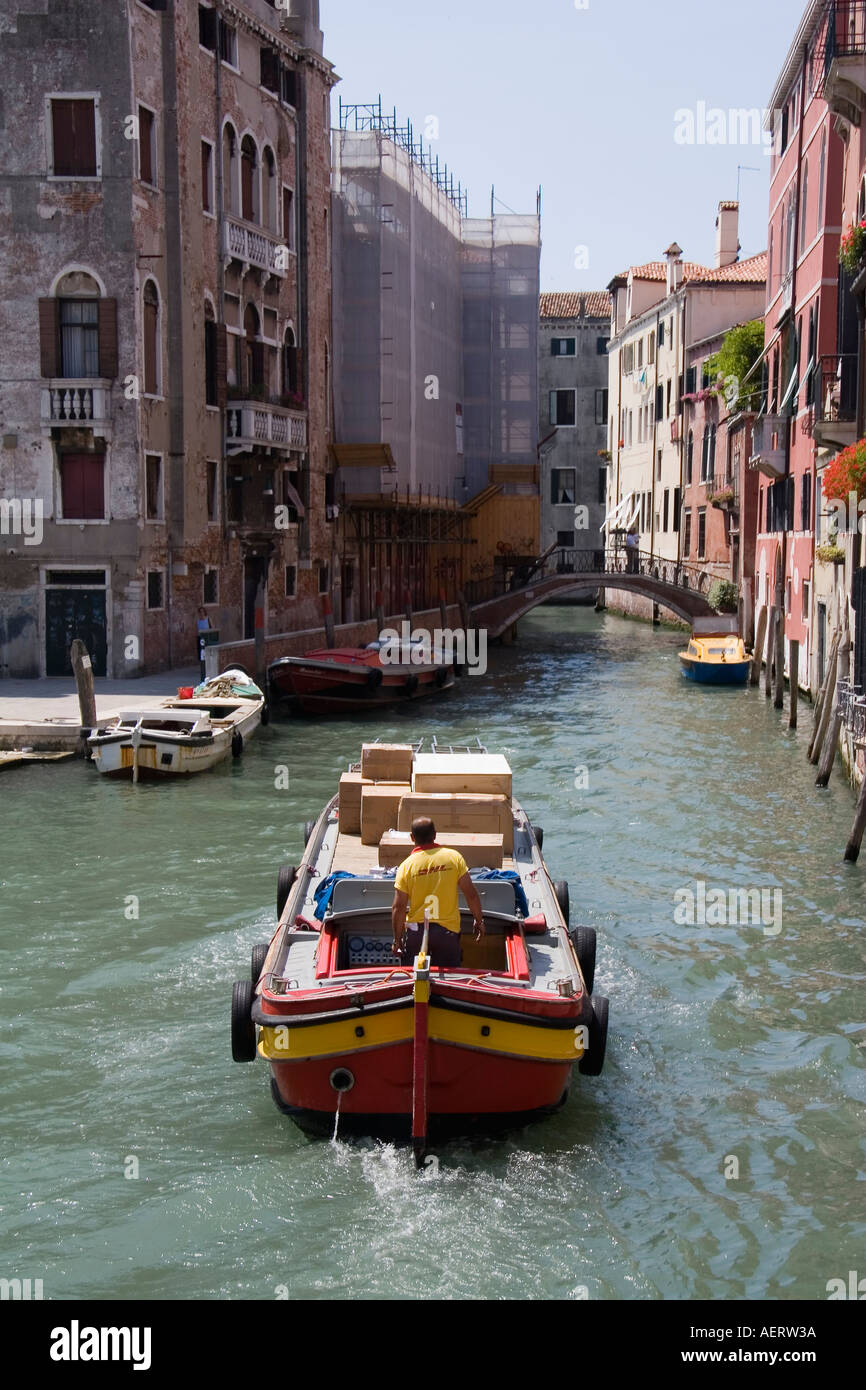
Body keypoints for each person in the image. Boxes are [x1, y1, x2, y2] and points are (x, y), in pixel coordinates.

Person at [392, 818, 485, 967]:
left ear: (412, 837)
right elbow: (471, 895)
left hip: (417, 933)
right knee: (449, 981)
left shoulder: (406, 866)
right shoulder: (453, 857)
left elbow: (399, 907)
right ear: (435, 835)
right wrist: (479, 921)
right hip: (447, 934)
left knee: (412, 979)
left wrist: (397, 940)